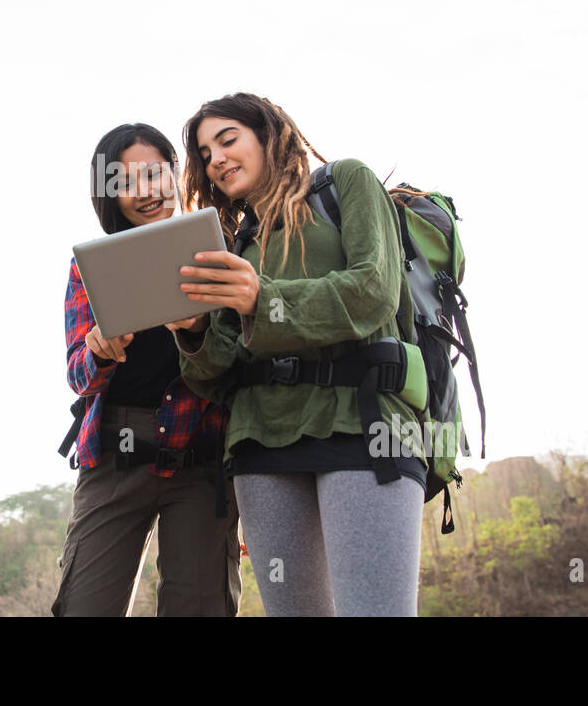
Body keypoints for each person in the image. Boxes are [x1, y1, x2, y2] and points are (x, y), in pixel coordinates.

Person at [165, 93, 426, 617]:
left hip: (361, 424)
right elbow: (215, 371)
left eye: (227, 139)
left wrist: (263, 300)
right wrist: (192, 332)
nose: (215, 157)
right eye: (204, 151)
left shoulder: (346, 182)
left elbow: (374, 291)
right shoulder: (233, 247)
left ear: (269, 134)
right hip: (260, 444)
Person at [52, 122, 242, 617]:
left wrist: (198, 329)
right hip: (115, 458)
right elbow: (77, 374)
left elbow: (246, 357)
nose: (147, 192)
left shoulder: (224, 250)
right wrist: (98, 351)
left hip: (202, 462)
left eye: (156, 174)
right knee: (84, 606)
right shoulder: (89, 269)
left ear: (177, 174)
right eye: (127, 183)